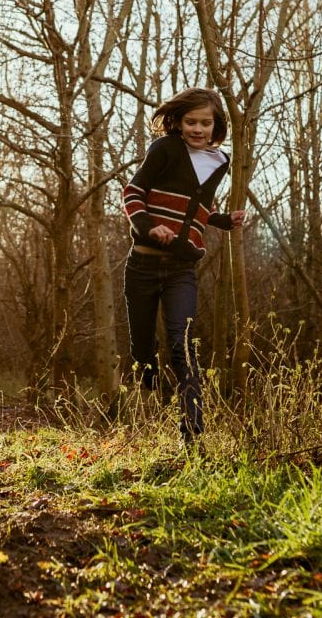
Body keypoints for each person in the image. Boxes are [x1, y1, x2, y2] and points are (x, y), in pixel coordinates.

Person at [122, 88, 245, 447]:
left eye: (205, 123)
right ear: (177, 122)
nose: (197, 129)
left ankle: (192, 433)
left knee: (184, 346)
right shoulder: (164, 150)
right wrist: (148, 226)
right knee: (142, 351)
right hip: (143, 264)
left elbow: (198, 207)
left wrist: (222, 221)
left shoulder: (220, 161)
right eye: (191, 122)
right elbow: (133, 192)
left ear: (216, 125)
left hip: (181, 269)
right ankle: (149, 379)